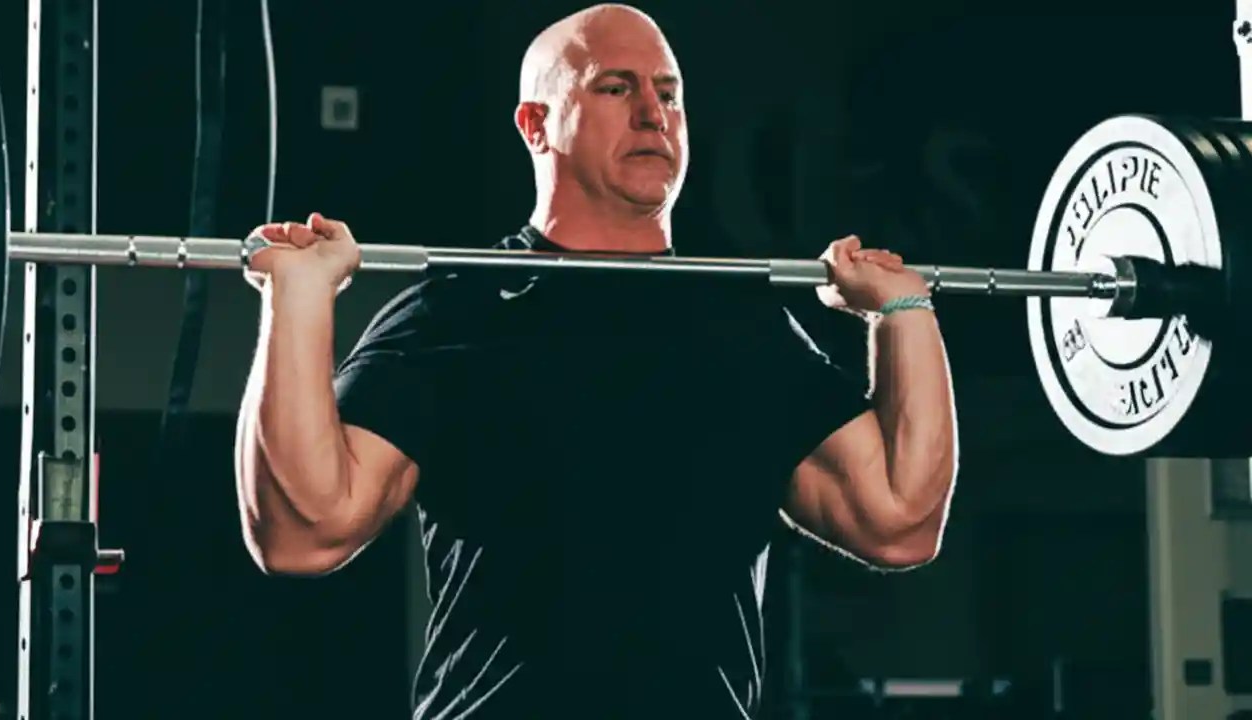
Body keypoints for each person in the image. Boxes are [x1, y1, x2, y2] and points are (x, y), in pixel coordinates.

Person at [233, 3, 958, 718]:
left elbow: (899, 519)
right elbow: (303, 532)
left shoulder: (741, 328)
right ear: (536, 124)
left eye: (668, 93)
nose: (654, 113)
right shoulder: (460, 312)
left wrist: (904, 313)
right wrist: (298, 300)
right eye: (616, 87)